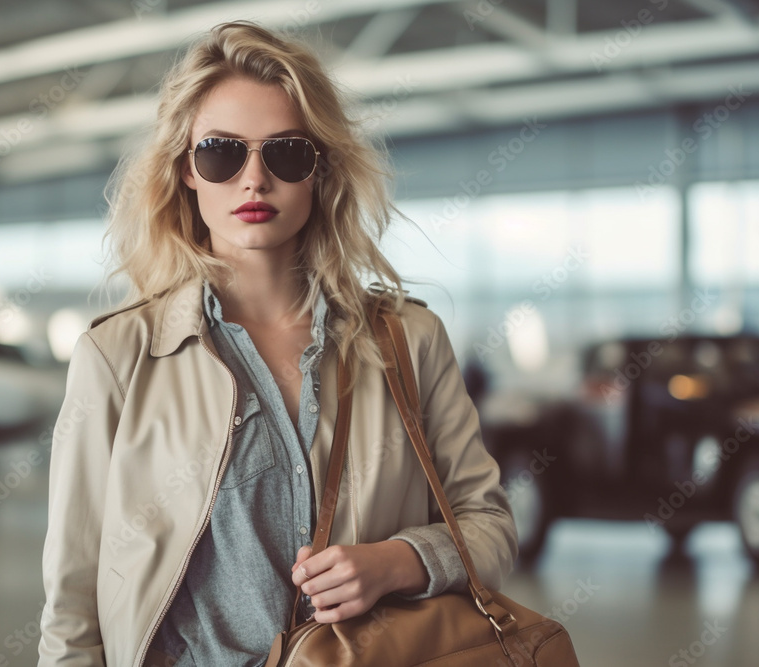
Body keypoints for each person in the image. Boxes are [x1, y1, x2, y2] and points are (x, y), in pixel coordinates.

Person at [37, 20, 517, 667]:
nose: (254, 179)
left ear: (321, 169)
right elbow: (73, 602)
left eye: (287, 152)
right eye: (221, 152)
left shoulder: (409, 339)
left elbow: (490, 525)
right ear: (186, 169)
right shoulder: (118, 357)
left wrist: (397, 561)